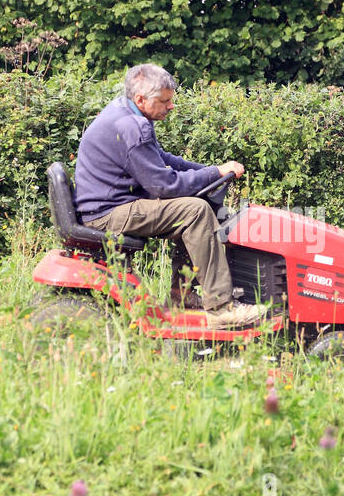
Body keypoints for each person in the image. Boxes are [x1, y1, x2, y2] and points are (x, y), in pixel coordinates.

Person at [74, 63, 270, 329]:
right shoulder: (133, 127)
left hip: (106, 204)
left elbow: (162, 159)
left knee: (194, 207)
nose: (171, 106)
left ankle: (182, 295)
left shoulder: (127, 112)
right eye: (164, 101)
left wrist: (211, 172)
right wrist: (214, 173)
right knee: (196, 211)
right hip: (108, 213)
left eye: (170, 100)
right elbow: (164, 186)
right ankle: (222, 308)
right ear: (141, 99)